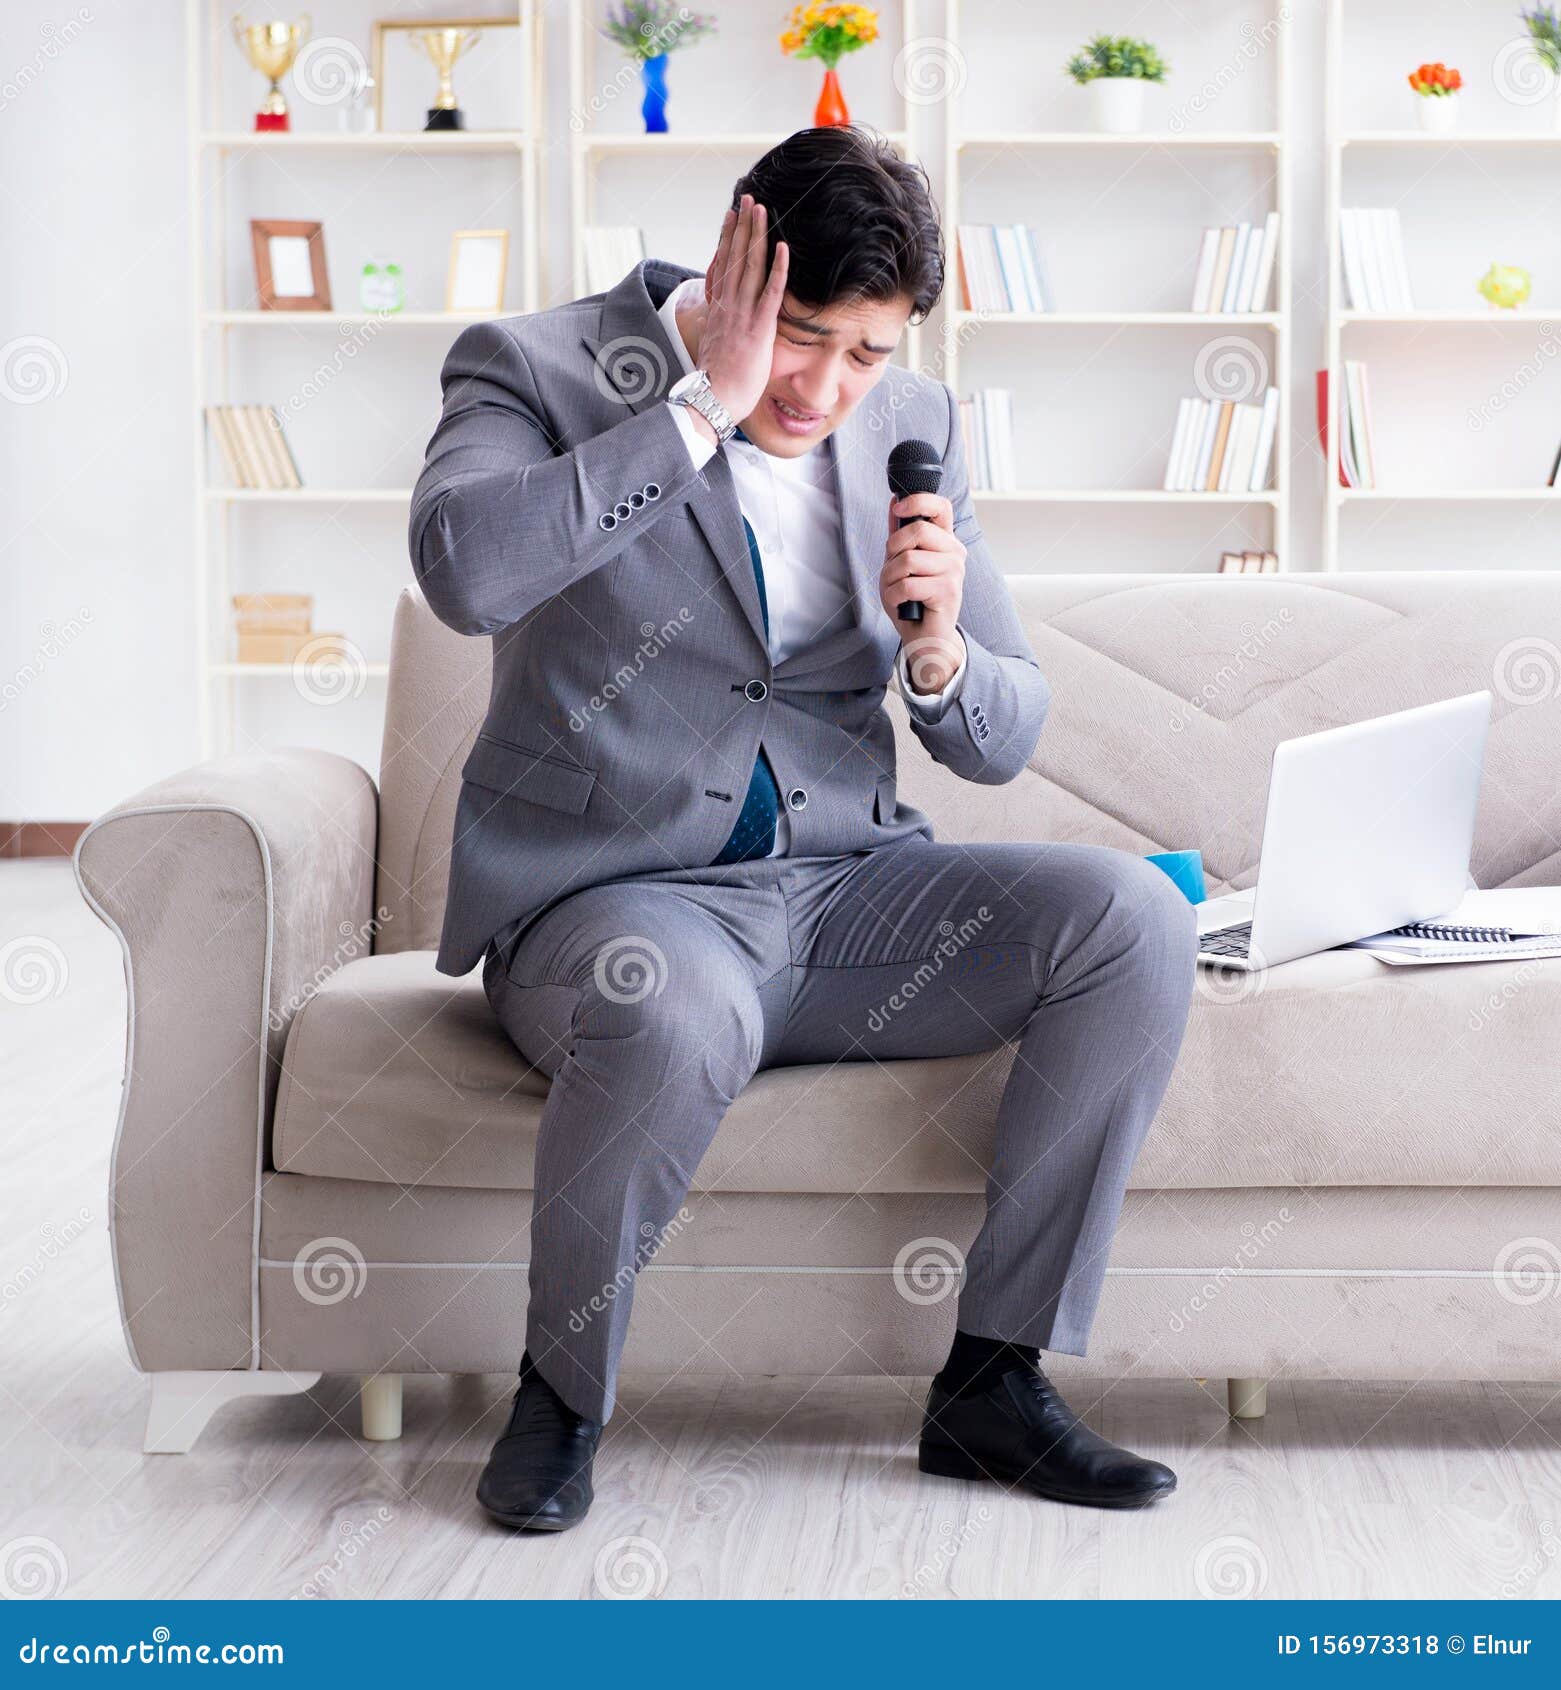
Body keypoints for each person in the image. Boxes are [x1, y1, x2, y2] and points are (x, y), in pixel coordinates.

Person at [408, 126, 1198, 1532]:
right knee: (670, 1006)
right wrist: (695, 411)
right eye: (805, 337)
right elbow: (466, 571)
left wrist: (942, 648)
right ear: (734, 257)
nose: (826, 389)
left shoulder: (916, 430)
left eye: (869, 353)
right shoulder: (537, 366)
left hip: (843, 898)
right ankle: (559, 1395)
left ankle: (992, 1384)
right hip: (616, 901)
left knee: (1131, 917)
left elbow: (1004, 736)